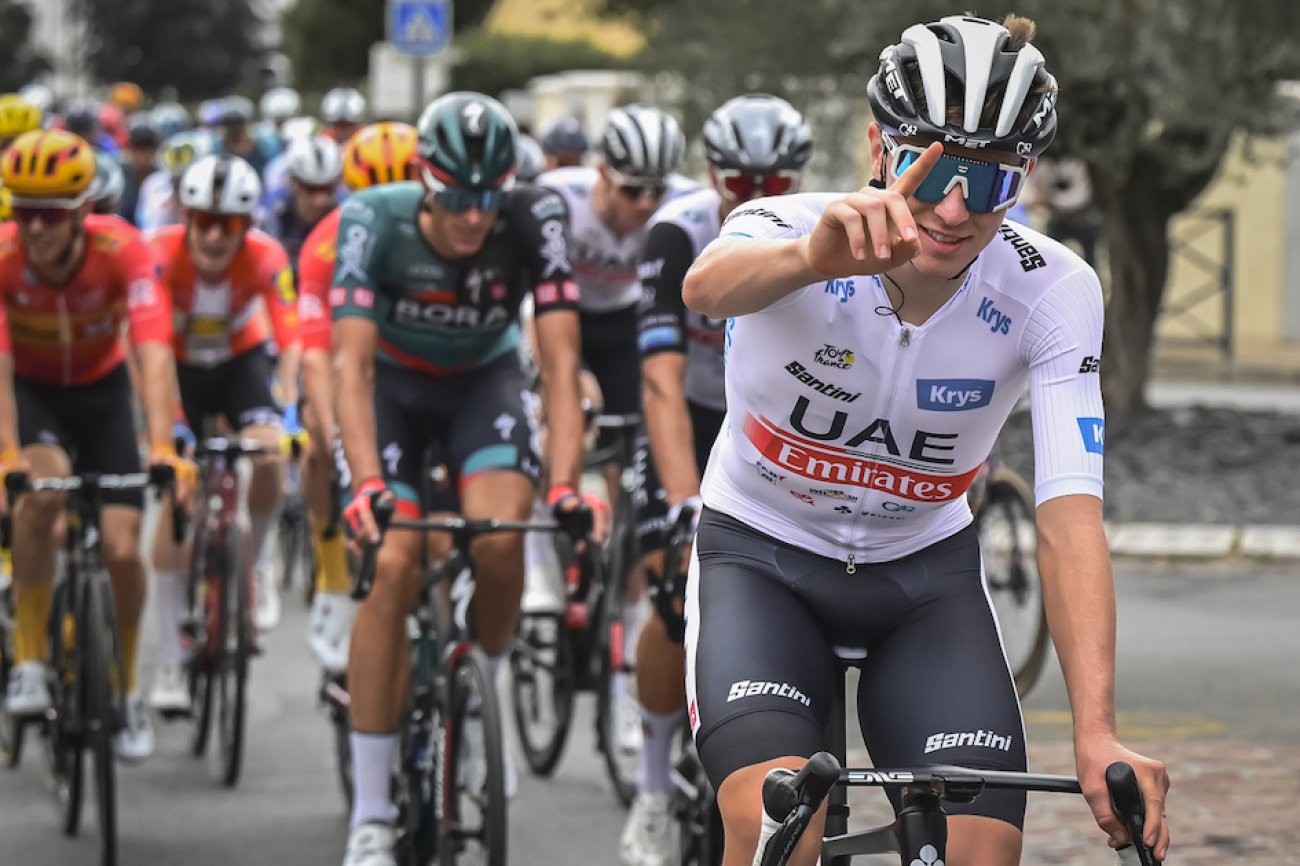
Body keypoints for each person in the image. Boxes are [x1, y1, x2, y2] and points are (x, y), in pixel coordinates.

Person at [679, 14, 1170, 866]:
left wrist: (1097, 733)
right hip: (761, 557)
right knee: (775, 824)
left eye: (989, 181)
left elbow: (1069, 518)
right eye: (931, 168)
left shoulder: (1053, 290)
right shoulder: (788, 223)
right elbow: (705, 288)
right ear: (879, 147)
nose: (953, 209)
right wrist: (811, 261)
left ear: (1025, 178)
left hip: (922, 579)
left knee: (981, 851)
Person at [332, 92, 591, 866]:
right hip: (392, 389)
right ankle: (371, 813)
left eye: (489, 197)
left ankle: (482, 701)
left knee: (502, 542)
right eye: (455, 197)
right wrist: (366, 481)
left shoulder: (535, 215)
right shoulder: (371, 218)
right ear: (423, 178)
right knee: (394, 564)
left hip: (483, 385)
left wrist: (566, 484)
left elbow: (561, 364)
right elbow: (348, 366)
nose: (475, 216)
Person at [620, 93, 813, 866]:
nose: (757, 196)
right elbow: (660, 379)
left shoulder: (817, 230)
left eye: (776, 182)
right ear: (710, 174)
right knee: (674, 595)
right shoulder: (677, 231)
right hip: (692, 415)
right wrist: (683, 499)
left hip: (768, 422)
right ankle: (651, 787)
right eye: (740, 182)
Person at [0, 129, 190, 761]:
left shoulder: (122, 249)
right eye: (23, 210)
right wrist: (7, 456)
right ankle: (30, 659)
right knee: (40, 498)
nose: (35, 227)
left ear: (82, 209)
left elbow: (154, 349)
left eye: (50, 214)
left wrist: (162, 446)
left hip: (103, 395)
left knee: (122, 549)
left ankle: (125, 685)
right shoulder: (3, 255)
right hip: (34, 395)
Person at [147, 154, 301, 712]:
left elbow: (291, 337)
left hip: (239, 364)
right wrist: (170, 425)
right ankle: (170, 657)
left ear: (247, 225)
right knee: (178, 496)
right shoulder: (159, 254)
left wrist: (291, 413)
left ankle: (256, 561)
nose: (215, 236)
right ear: (186, 217)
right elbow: (148, 347)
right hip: (177, 370)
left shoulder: (266, 256)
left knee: (269, 455)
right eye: (204, 221)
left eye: (229, 224)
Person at [295, 121, 421, 672]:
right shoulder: (327, 244)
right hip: (350, 367)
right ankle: (331, 581)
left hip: (416, 372)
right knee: (319, 444)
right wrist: (334, 435)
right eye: (372, 195)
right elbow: (318, 357)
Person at [258, 133, 343, 270]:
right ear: (294, 183)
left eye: (327, 189)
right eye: (310, 189)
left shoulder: (345, 216)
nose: (319, 200)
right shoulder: (274, 217)